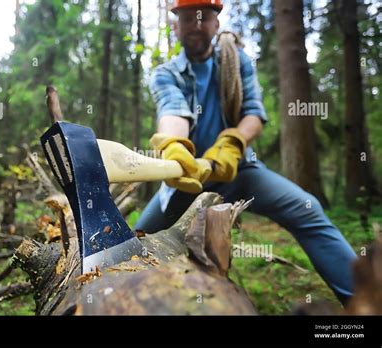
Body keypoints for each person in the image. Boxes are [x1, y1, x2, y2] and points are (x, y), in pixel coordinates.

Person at [134, 0, 357, 305]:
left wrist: (233, 142)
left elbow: (253, 113)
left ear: (216, 23)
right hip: (188, 180)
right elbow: (173, 112)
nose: (196, 25)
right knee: (136, 242)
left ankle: (367, 301)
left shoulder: (238, 62)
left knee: (308, 208)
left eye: (204, 18)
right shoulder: (165, 73)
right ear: (175, 26)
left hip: (242, 172)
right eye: (187, 19)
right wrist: (175, 148)